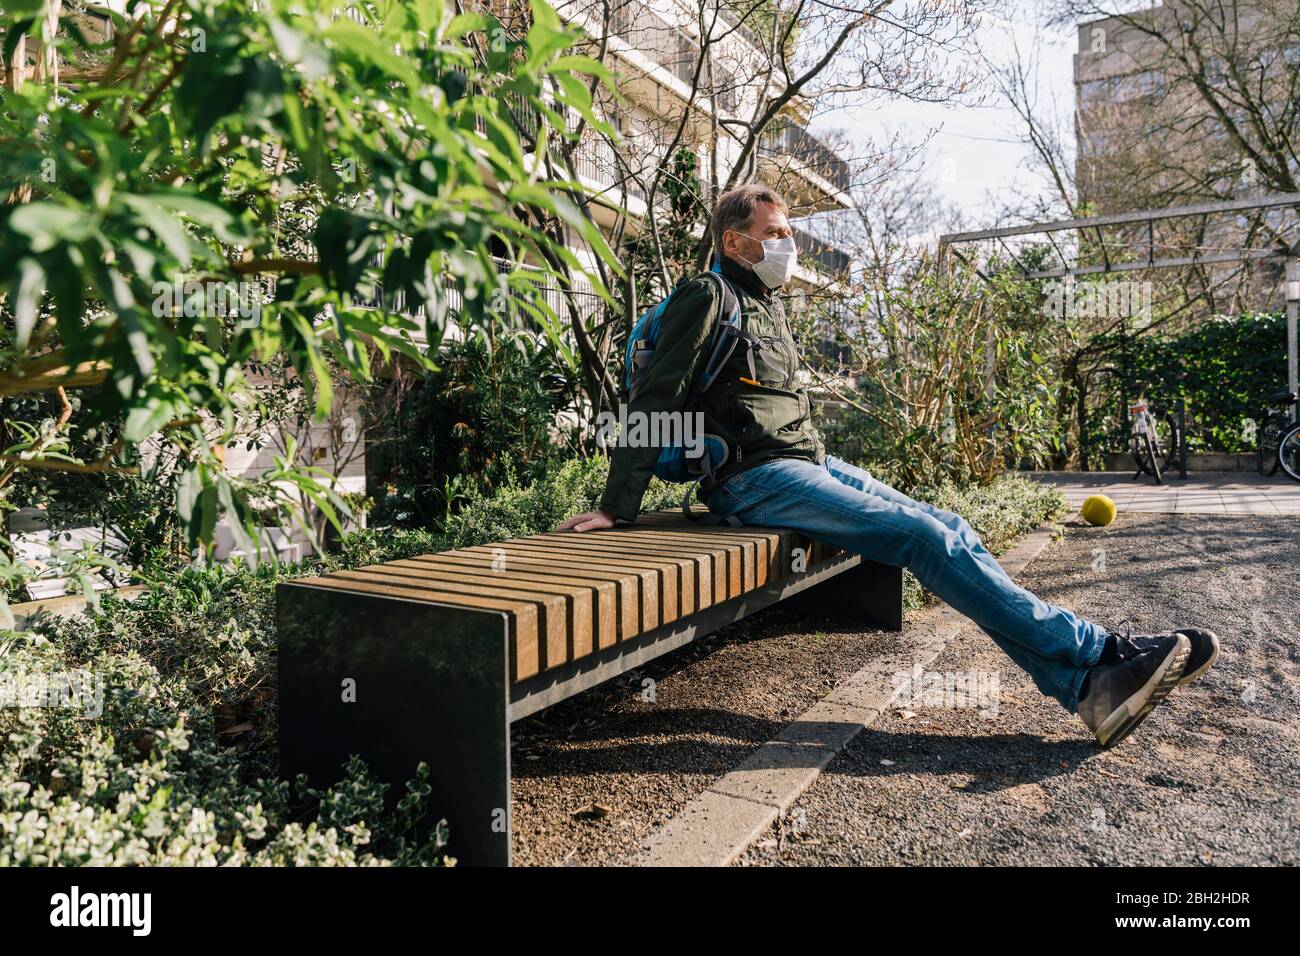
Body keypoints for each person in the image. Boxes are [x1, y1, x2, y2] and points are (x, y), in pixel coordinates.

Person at [557, 184, 1218, 748]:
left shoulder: (767, 303)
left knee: (945, 525)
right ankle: (1097, 657)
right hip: (753, 480)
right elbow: (654, 397)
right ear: (735, 242)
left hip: (807, 463)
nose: (788, 245)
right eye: (775, 233)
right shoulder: (707, 293)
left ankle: (1088, 686)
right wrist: (619, 504)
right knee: (921, 540)